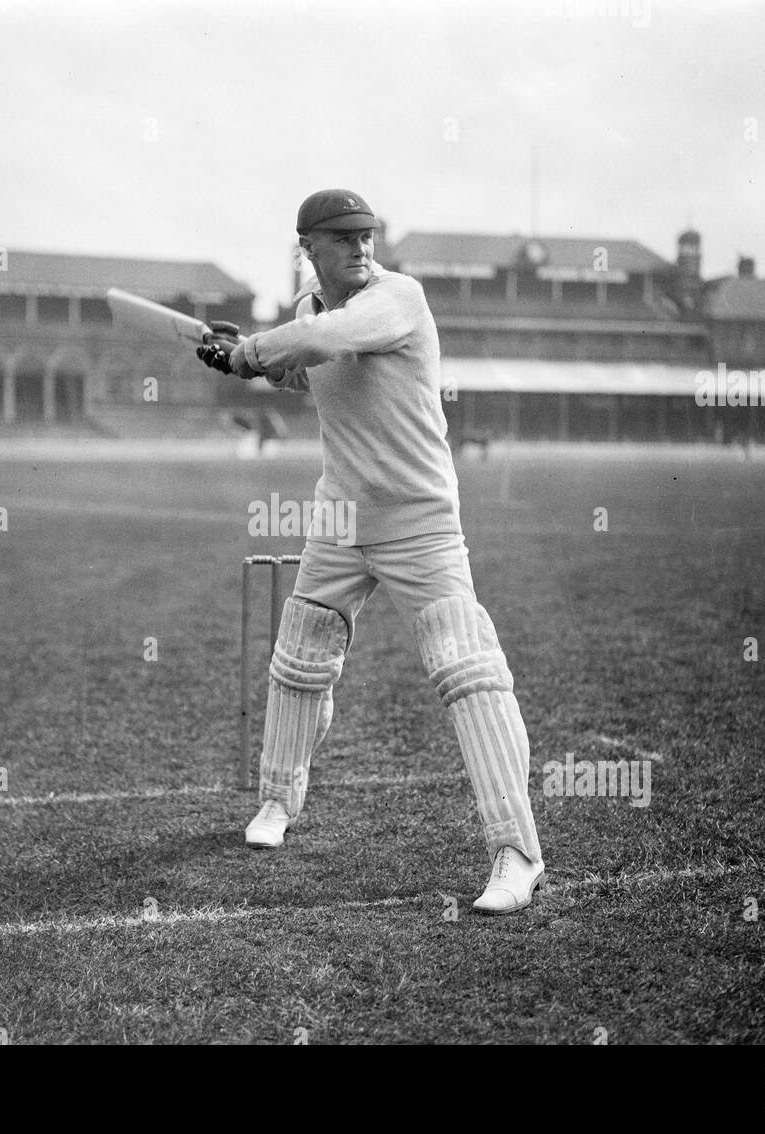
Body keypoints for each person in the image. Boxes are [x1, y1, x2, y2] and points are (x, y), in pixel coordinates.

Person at [198, 189, 544, 915]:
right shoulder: (305, 313)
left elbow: (328, 343)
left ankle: (516, 853)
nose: (362, 249)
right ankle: (276, 803)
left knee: (466, 669)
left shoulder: (398, 299)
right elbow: (305, 368)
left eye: (368, 236)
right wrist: (237, 360)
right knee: (299, 657)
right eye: (345, 238)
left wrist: (250, 350)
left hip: (419, 518)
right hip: (341, 515)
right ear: (309, 248)